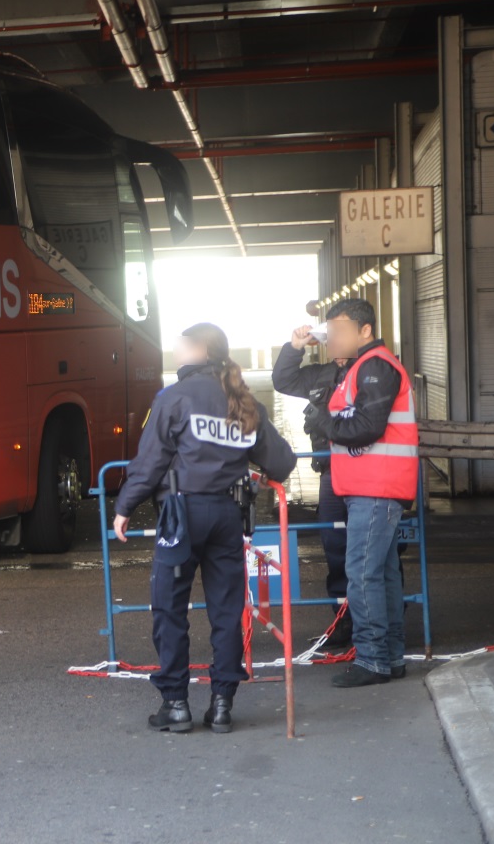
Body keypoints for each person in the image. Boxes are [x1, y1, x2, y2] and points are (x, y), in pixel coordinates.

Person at [113, 323, 297, 734]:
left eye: (180, 346)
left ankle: (176, 704)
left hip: (180, 515)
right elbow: (281, 462)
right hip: (227, 516)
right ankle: (222, 705)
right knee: (227, 610)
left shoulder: (174, 398)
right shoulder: (244, 400)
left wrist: (124, 507)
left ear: (196, 350)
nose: (174, 352)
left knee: (170, 608)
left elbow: (149, 464)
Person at [304, 298, 419, 687]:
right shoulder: (363, 367)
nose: (330, 338)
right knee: (382, 573)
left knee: (362, 574)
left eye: (337, 330)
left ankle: (372, 659)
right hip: (372, 486)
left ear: (364, 330)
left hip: (376, 487)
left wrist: (323, 418)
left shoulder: (375, 366)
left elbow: (367, 426)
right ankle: (390, 657)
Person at [273, 325, 353, 647]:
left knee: (373, 551)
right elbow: (284, 380)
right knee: (336, 549)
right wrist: (295, 346)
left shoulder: (375, 371)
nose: (334, 342)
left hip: (367, 471)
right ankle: (343, 620)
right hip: (332, 473)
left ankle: (380, 622)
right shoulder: (322, 374)